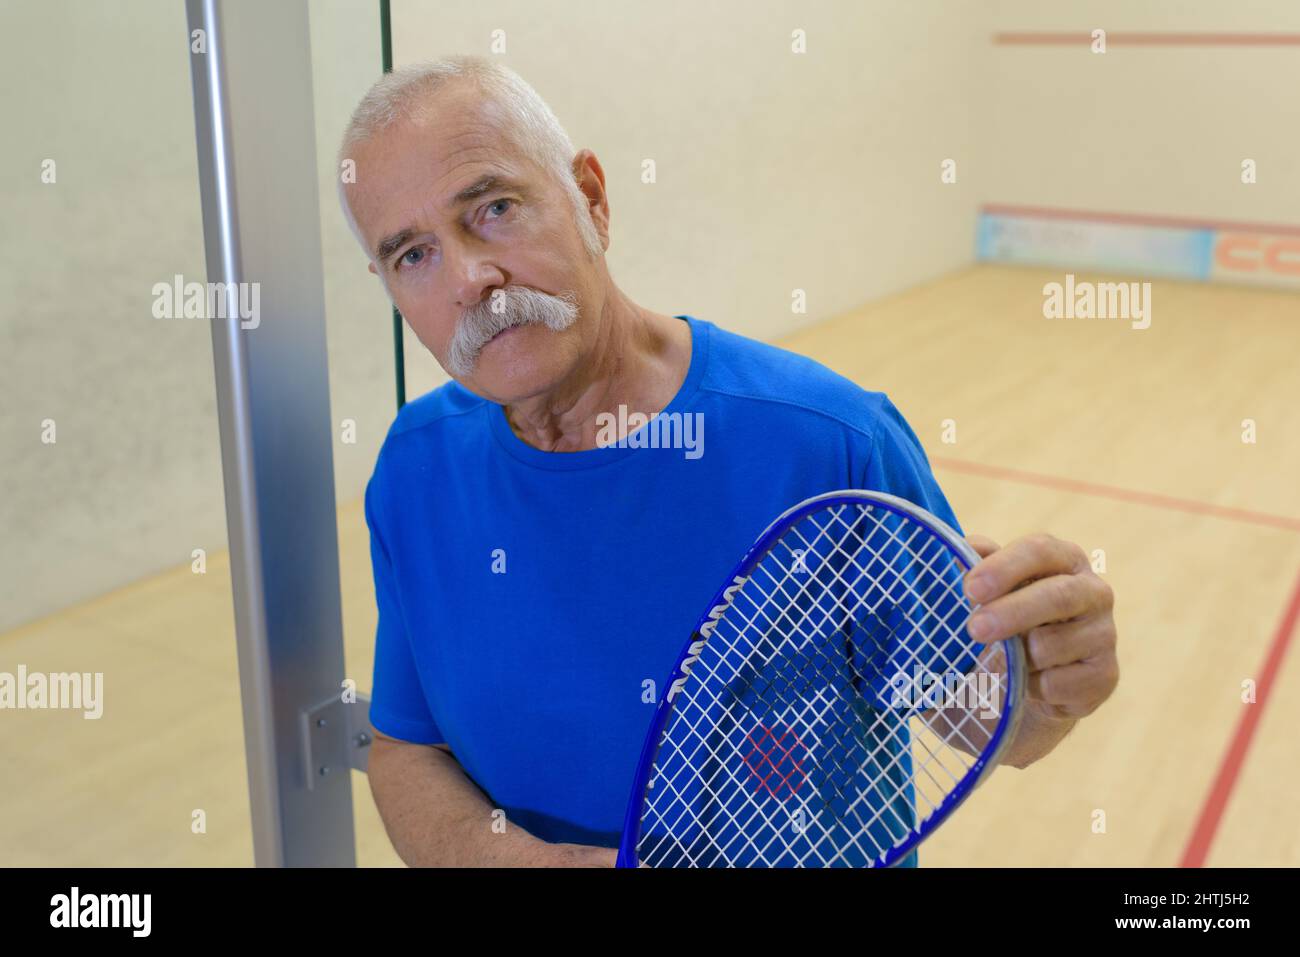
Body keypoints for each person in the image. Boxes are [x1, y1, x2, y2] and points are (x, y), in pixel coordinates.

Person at [336, 55, 1119, 867]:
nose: (471, 278)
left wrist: (1055, 683)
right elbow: (406, 746)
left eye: (493, 209)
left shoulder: (827, 442)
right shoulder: (414, 467)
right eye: (413, 256)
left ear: (591, 200)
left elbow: (995, 723)